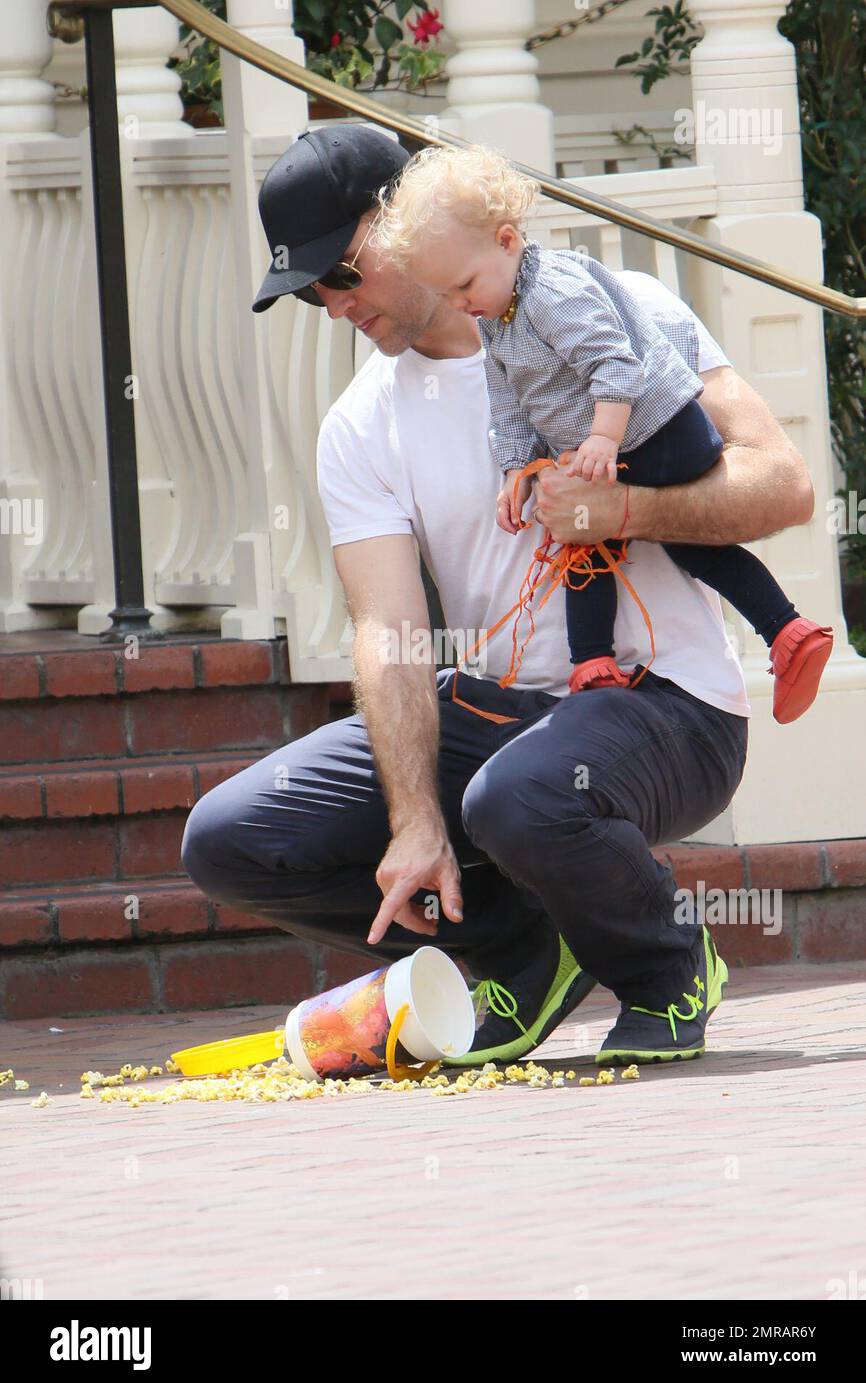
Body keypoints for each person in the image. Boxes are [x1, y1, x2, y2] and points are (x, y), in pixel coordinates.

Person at [180, 125, 815, 1067]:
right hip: (490, 711)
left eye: (340, 273)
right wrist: (412, 821)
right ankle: (517, 950)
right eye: (309, 290)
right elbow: (389, 629)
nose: (328, 303)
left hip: (664, 705)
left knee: (516, 798)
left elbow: (785, 485)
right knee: (233, 837)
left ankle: (667, 971)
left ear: (399, 225)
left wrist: (622, 506)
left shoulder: (619, 312)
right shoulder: (361, 424)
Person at [371, 144, 833, 721]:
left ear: (507, 241)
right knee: (599, 533)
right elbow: (508, 402)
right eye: (445, 296)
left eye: (464, 285)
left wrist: (602, 442)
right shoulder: (496, 316)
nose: (460, 304)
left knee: (613, 534)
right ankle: (775, 632)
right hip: (624, 441)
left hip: (659, 429)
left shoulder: (551, 293)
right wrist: (515, 469)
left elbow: (615, 364)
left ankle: (604, 662)